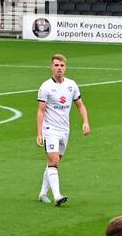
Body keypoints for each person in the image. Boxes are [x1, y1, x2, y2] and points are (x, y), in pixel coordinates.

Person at [35, 53, 91, 206]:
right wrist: (39, 133)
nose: (59, 68)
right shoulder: (46, 87)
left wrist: (85, 122)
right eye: (56, 65)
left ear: (65, 67)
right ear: (51, 67)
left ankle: (42, 193)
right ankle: (57, 196)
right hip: (50, 129)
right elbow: (40, 111)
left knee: (54, 162)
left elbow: (80, 105)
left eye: (61, 65)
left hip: (65, 130)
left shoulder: (71, 85)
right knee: (53, 161)